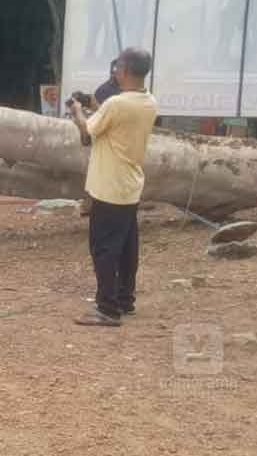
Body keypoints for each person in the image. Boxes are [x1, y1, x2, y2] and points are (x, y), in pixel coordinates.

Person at [67, 47, 159, 327]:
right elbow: (111, 120)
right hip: (129, 185)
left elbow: (88, 130)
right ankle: (124, 299)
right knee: (127, 247)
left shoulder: (117, 105)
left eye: (118, 66)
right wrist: (93, 106)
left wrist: (77, 110)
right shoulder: (148, 101)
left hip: (108, 186)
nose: (115, 71)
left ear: (125, 71)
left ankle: (107, 308)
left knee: (104, 248)